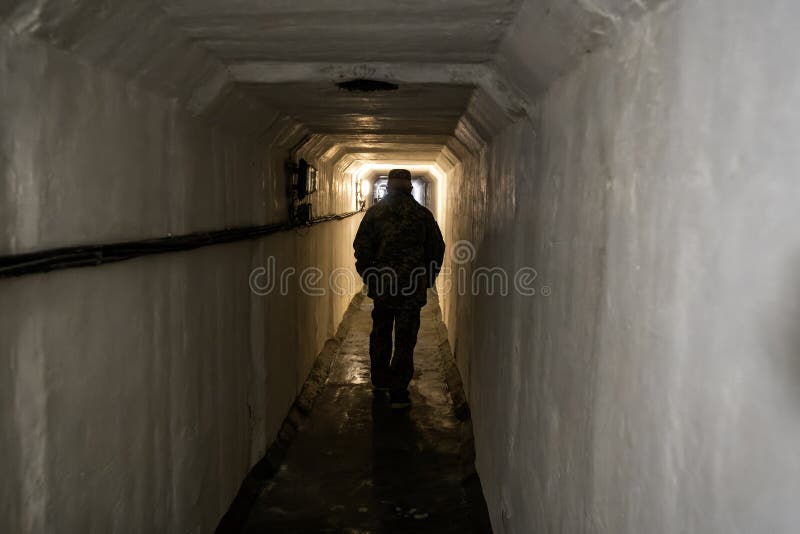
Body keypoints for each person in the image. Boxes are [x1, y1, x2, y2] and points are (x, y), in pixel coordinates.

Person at [353, 169, 446, 409]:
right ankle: (399, 391)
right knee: (405, 339)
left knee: (381, 332)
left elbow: (361, 248)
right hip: (411, 290)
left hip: (383, 288)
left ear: (388, 187)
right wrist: (427, 278)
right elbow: (437, 248)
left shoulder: (375, 214)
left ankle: (380, 379)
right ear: (410, 188)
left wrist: (369, 276)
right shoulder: (422, 215)